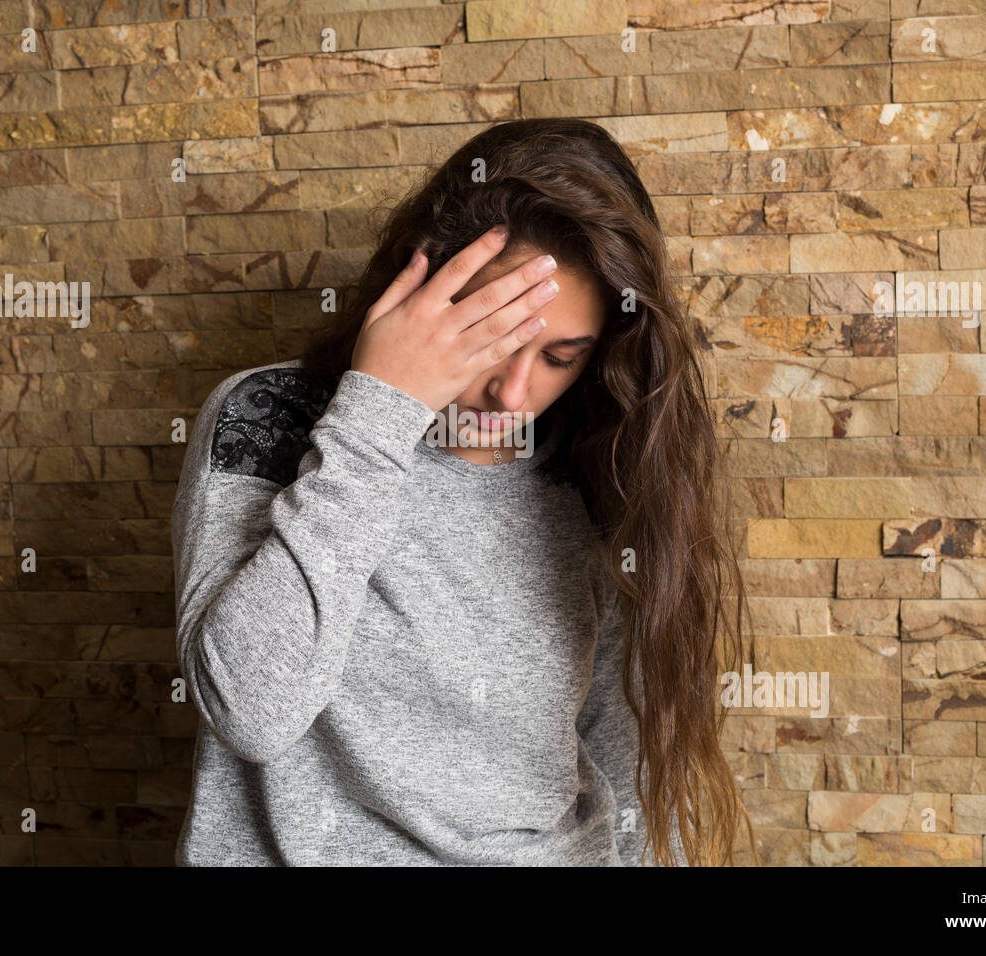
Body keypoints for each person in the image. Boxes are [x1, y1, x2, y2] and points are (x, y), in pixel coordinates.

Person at [171, 118, 755, 866]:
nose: (513, 393)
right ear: (421, 287)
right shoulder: (268, 418)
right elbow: (250, 709)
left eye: (559, 356)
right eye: (493, 338)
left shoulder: (595, 461)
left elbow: (617, 752)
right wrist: (379, 409)